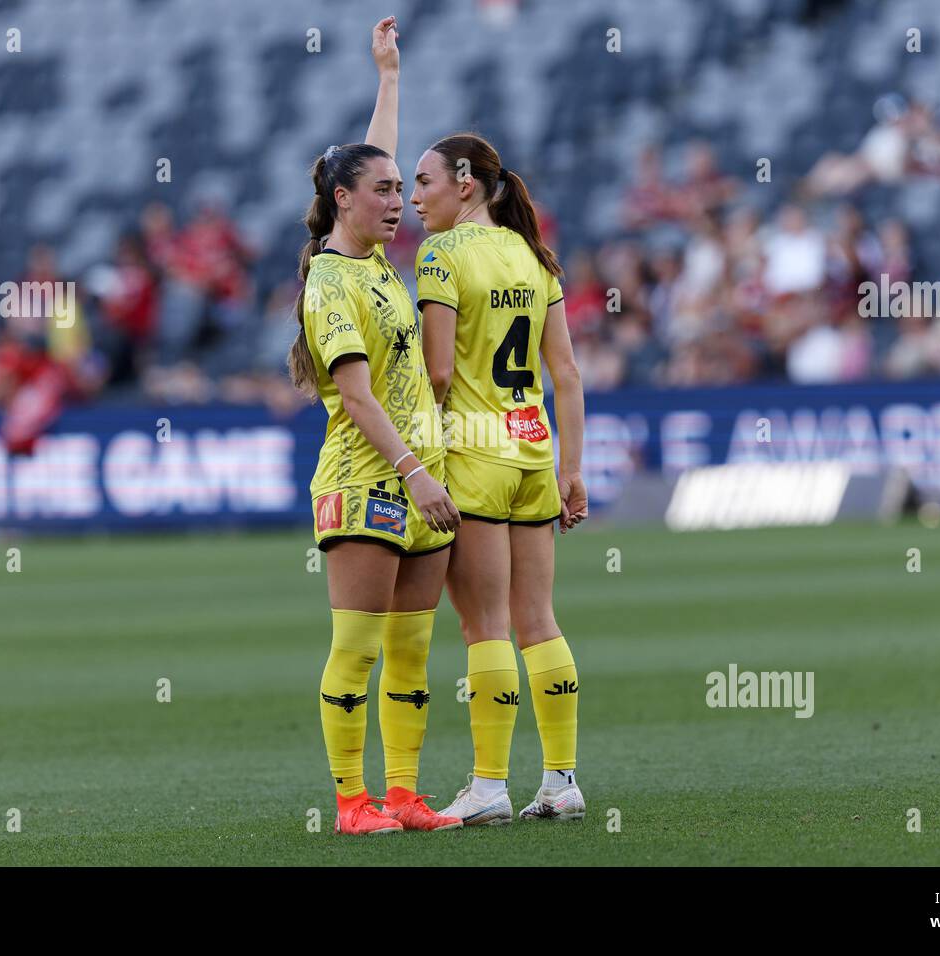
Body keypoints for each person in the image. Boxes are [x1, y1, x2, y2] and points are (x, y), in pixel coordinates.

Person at [290, 17, 462, 836]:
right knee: (356, 650)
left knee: (412, 655)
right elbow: (356, 396)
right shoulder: (332, 281)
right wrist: (418, 472)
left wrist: (388, 77)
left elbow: (364, 158)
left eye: (404, 189)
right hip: (370, 480)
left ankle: (403, 795)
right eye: (385, 192)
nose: (400, 201)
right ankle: (351, 802)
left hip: (416, 477)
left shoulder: (371, 259)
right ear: (342, 203)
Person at [411, 132, 588, 823]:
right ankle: (562, 780)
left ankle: (488, 787)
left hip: (474, 454)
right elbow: (566, 374)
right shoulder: (533, 256)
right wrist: (572, 471)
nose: (413, 198)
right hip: (533, 447)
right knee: (538, 621)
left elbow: (438, 372)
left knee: (484, 626)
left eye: (422, 181)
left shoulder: (443, 255)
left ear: (464, 183)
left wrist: (416, 458)